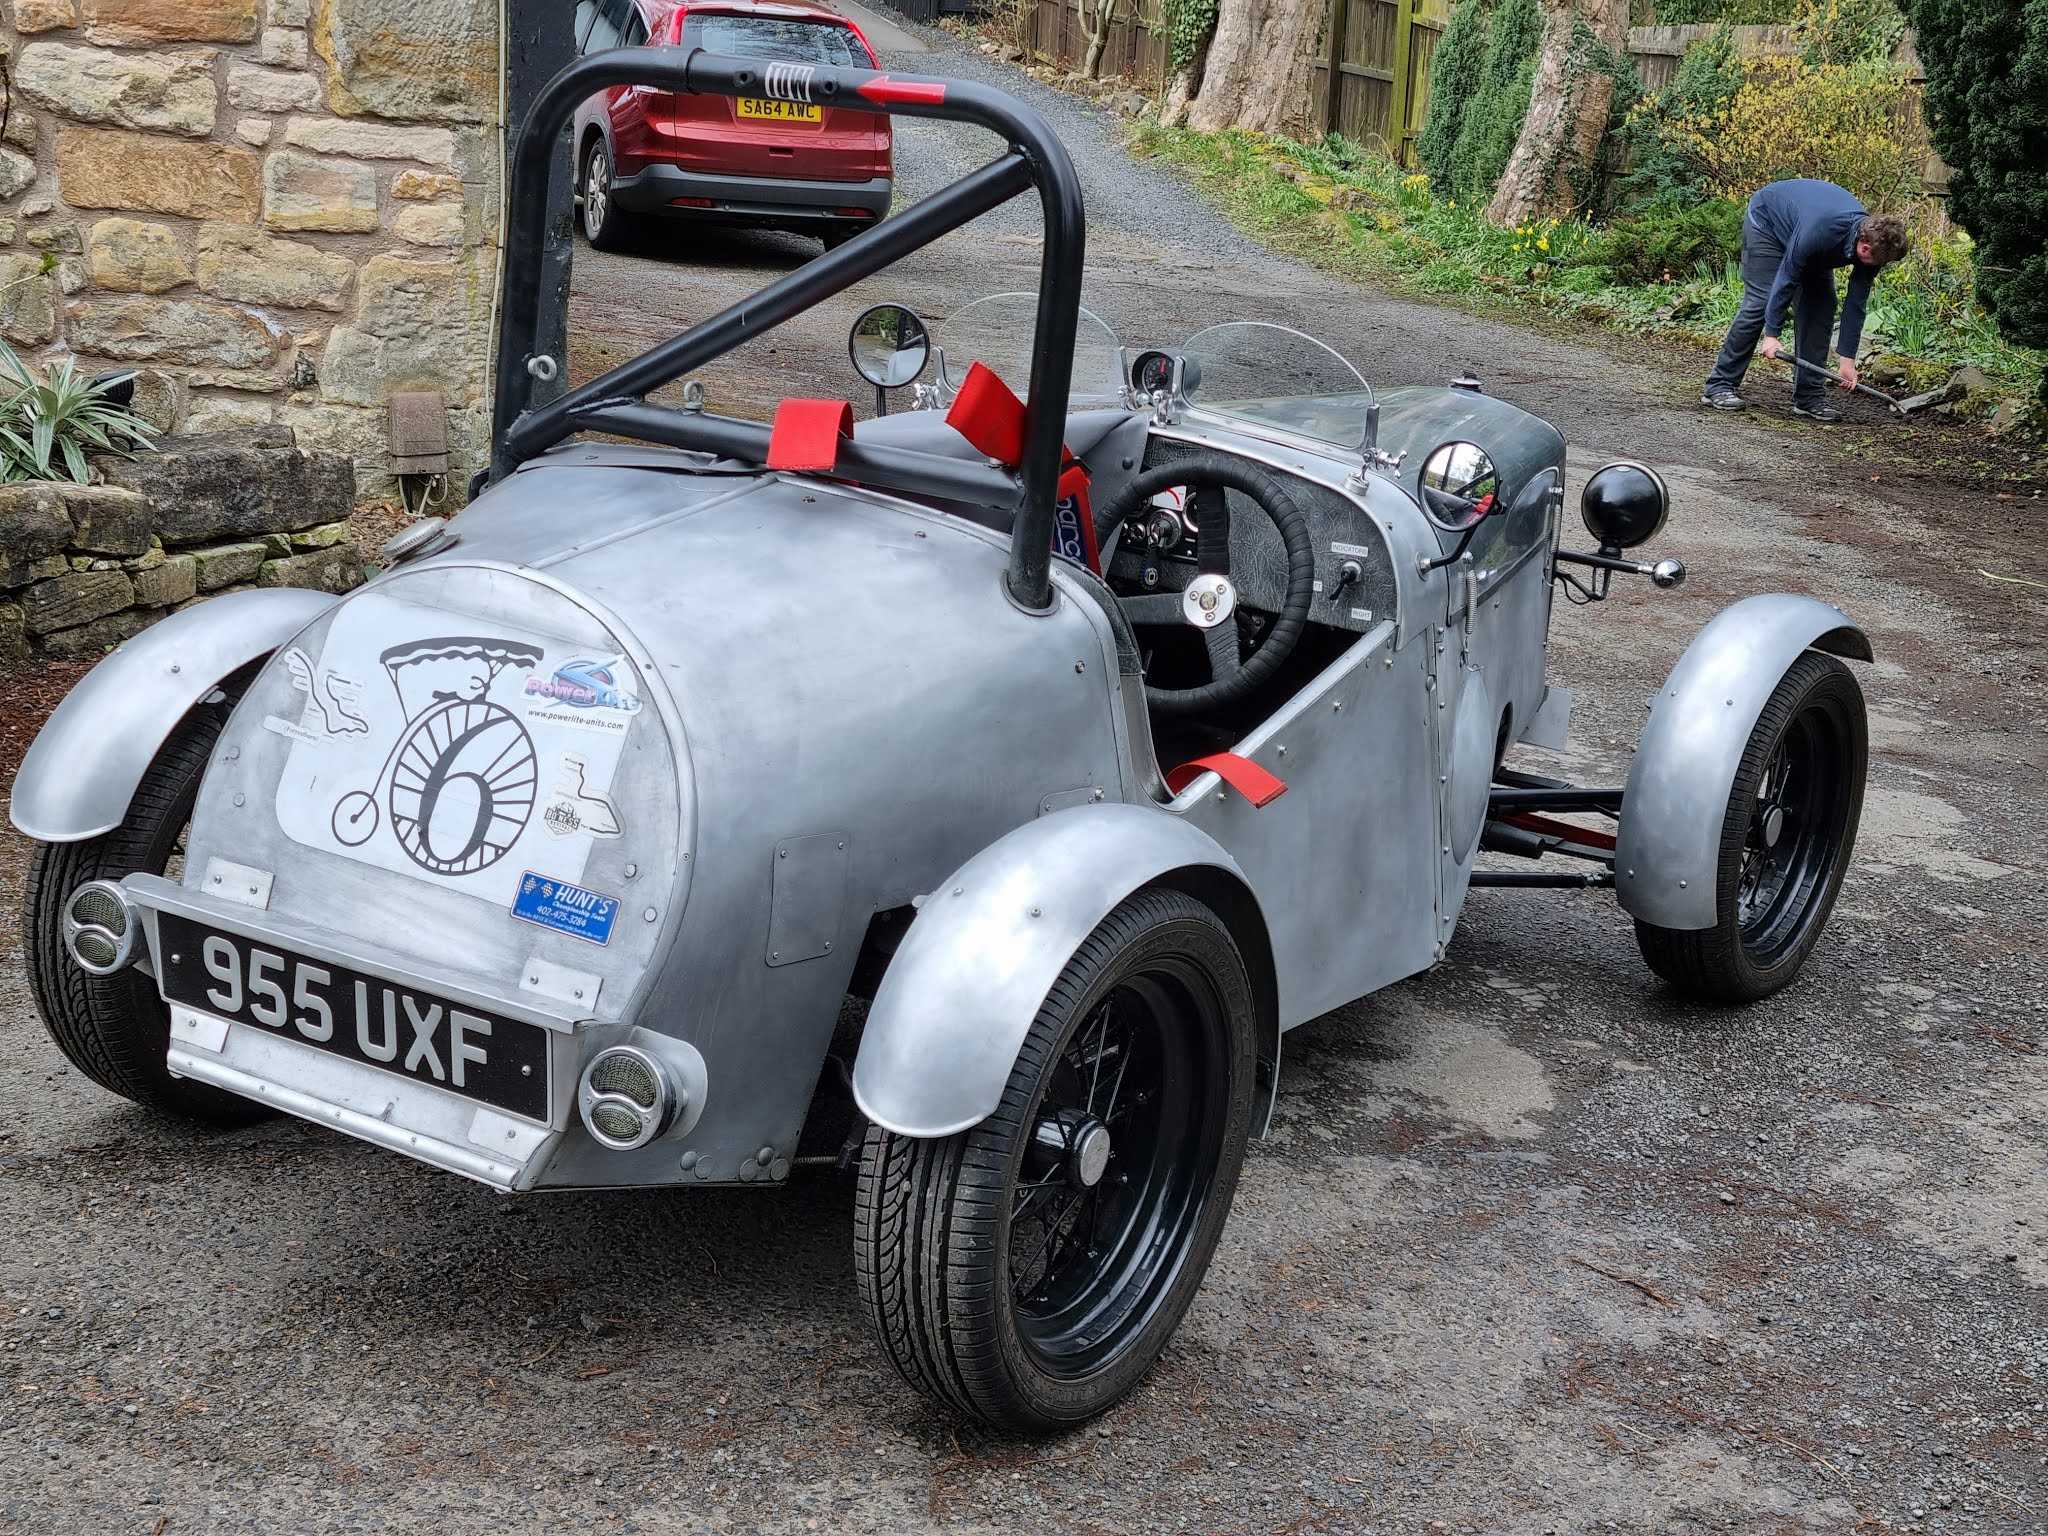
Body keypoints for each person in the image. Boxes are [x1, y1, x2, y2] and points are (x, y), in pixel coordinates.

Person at [1702, 178, 1910, 421]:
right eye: (1879, 262)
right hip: (1768, 223)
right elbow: (1787, 276)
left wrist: (1847, 361)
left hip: (1807, 238)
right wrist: (1772, 335)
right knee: (1762, 300)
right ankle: (1719, 385)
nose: (1880, 266)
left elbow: (1856, 303)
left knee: (1822, 306)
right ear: (1864, 247)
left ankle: (1809, 397)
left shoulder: (1874, 246)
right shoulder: (1821, 231)